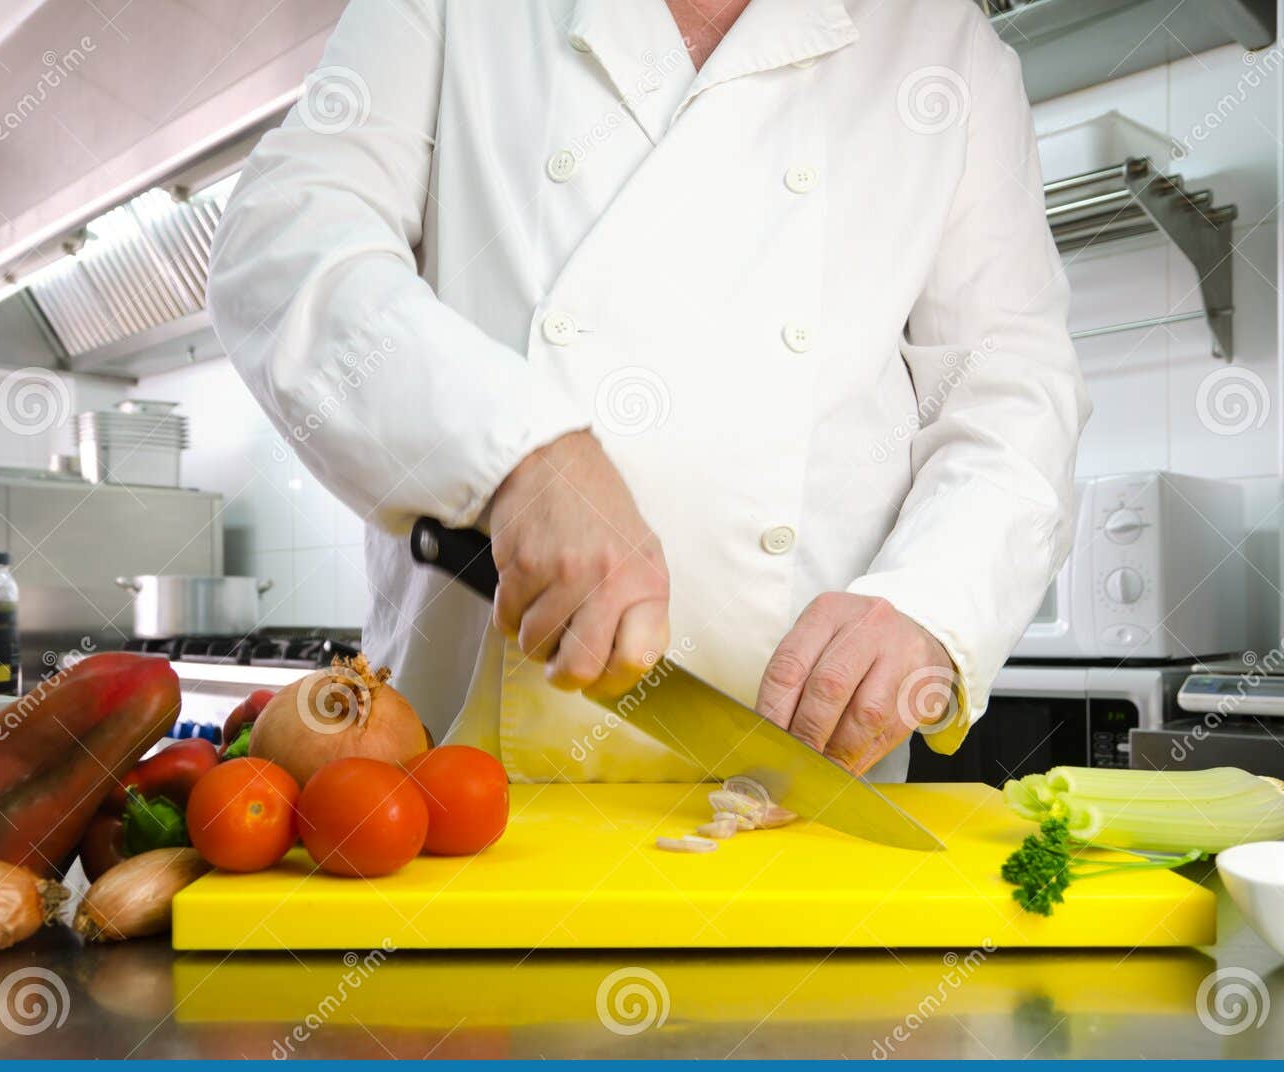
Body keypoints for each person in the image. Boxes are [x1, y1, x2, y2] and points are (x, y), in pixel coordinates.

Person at [207, 0, 1088, 784]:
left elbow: (1009, 390)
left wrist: (932, 599)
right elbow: (285, 243)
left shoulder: (946, 44)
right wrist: (518, 453)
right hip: (454, 794)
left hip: (802, 783)